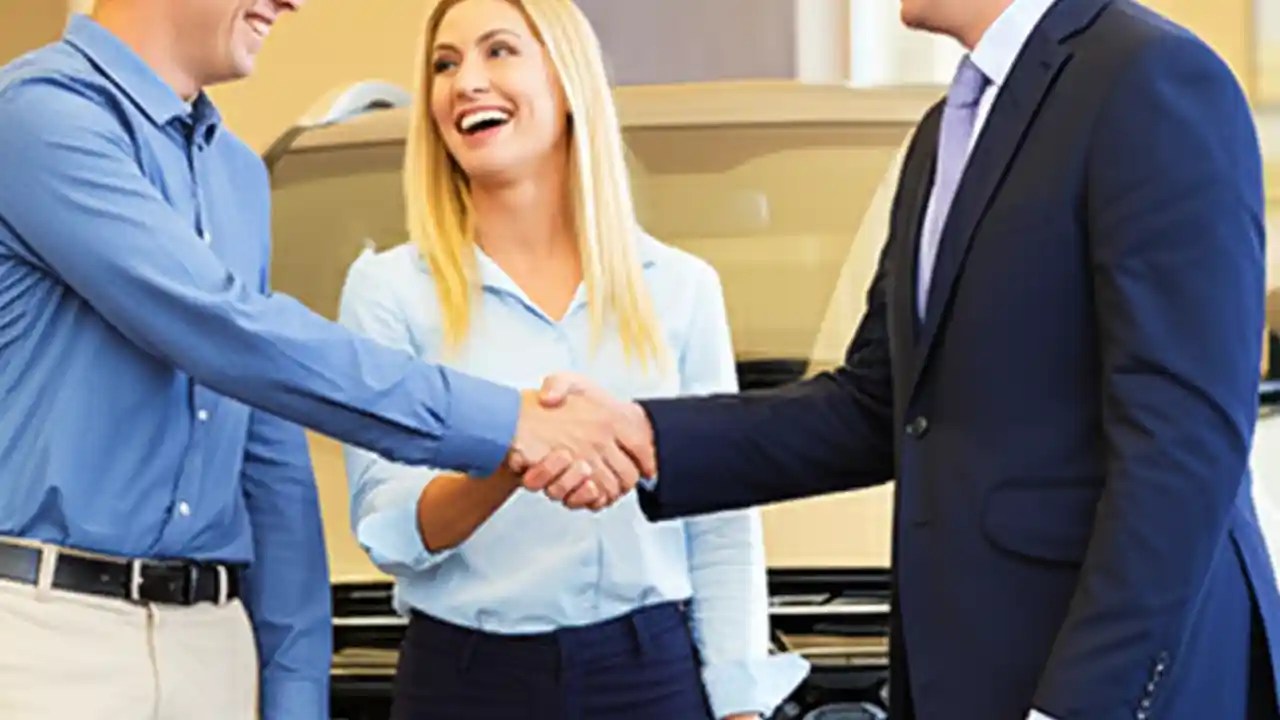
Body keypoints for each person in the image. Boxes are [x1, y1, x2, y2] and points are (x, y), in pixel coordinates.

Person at [525, 0, 1280, 718]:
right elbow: (880, 403)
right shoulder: (945, 132)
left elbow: (1182, 453)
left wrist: (1079, 706)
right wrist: (643, 436)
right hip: (971, 674)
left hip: (1106, 683)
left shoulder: (1151, 78)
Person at [0, 1, 647, 718]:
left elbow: (269, 453)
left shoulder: (235, 174)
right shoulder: (37, 117)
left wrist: (296, 692)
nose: (291, 2)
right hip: (48, 640)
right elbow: (224, 328)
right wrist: (509, 421)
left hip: (213, 645)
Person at [335, 1, 808, 718]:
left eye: (499, 52)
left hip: (649, 674)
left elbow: (721, 524)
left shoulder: (680, 290)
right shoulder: (388, 292)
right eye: (445, 63)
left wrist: (740, 703)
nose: (466, 83)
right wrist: (510, 450)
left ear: (566, 80)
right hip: (465, 680)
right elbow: (388, 529)